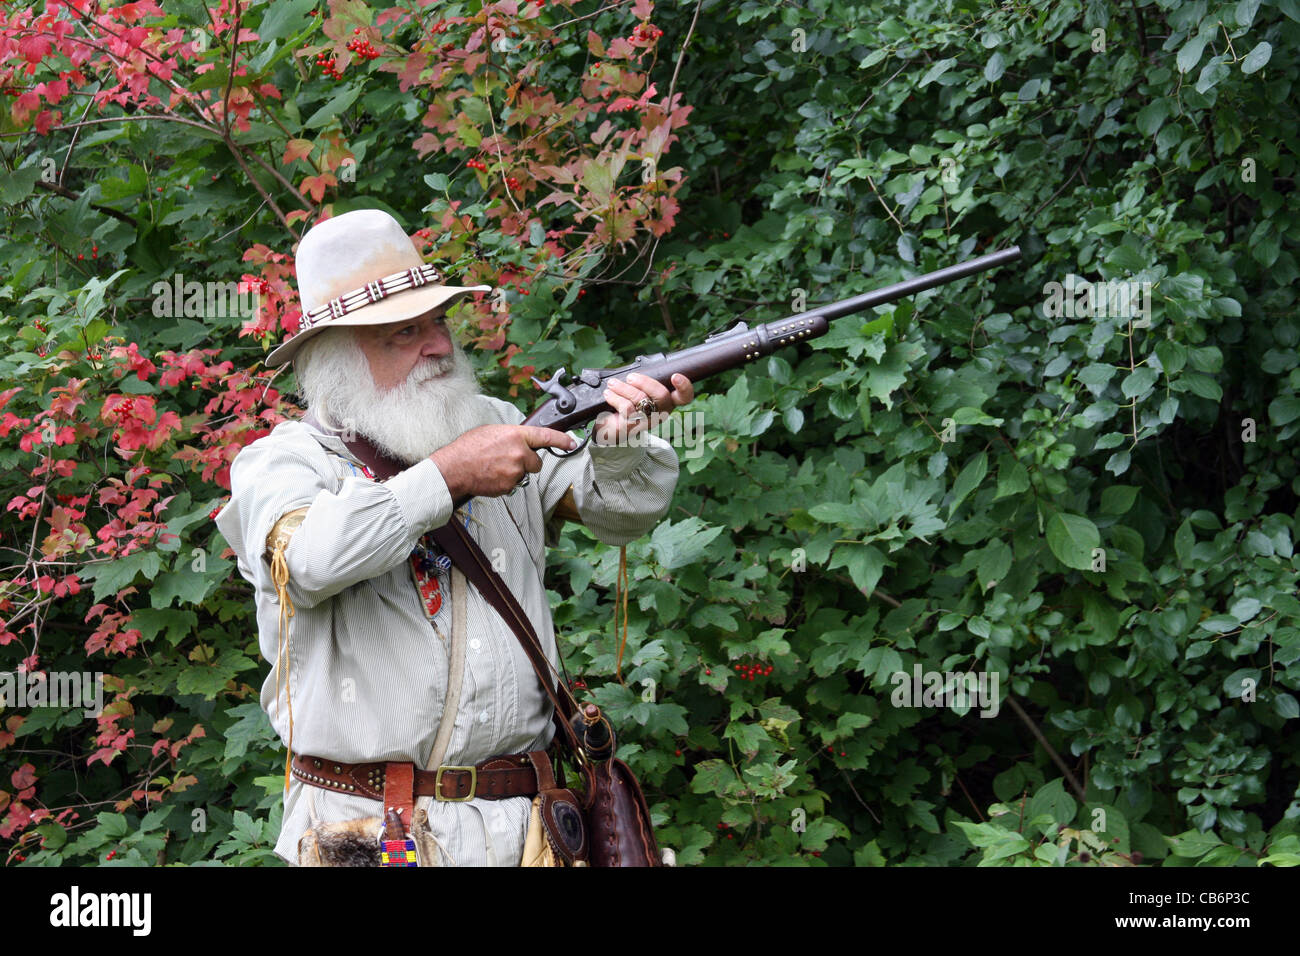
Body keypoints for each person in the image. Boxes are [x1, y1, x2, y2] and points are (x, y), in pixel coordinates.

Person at [215, 209, 693, 865]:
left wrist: (622, 439)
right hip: (372, 833)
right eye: (402, 333)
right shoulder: (282, 464)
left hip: (528, 828)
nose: (437, 345)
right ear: (335, 361)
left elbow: (623, 514)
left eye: (437, 321)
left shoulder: (492, 424)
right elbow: (311, 561)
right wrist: (450, 475)